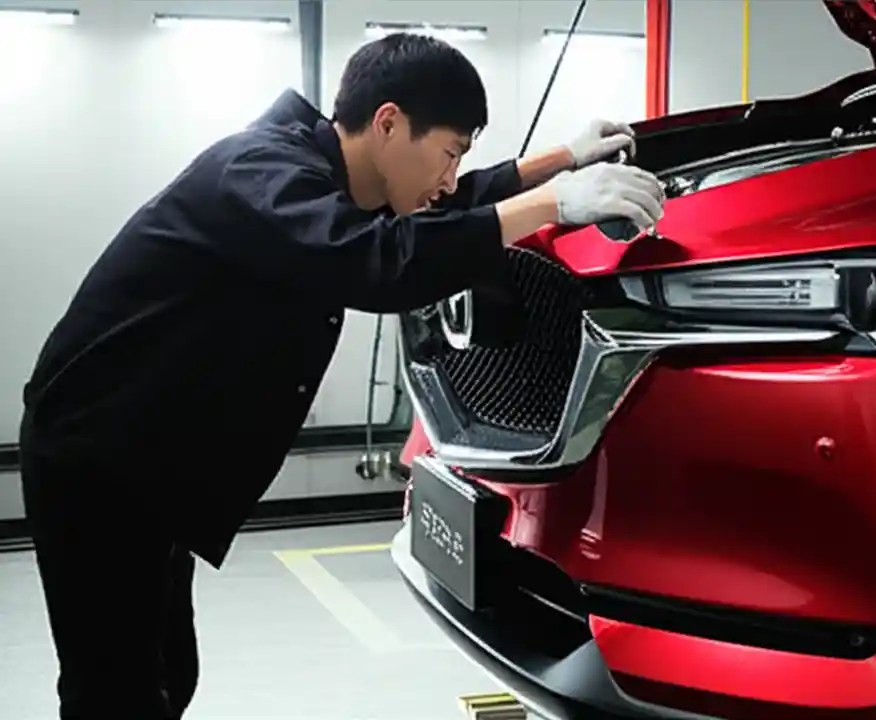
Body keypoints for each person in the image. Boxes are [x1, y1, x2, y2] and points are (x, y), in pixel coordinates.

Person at [17, 32, 665, 720]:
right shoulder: (261, 171)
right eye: (449, 153)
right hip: (98, 456)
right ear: (388, 123)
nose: (450, 177)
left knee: (167, 671)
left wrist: (562, 161)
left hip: (147, 457)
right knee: (115, 690)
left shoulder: (326, 178)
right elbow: (375, 260)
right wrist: (555, 204)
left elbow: (443, 209)